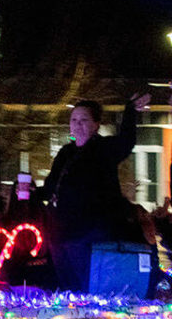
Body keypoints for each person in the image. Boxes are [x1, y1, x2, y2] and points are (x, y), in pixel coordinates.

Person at [38, 93, 151, 291]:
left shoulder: (103, 148)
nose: (77, 124)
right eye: (74, 120)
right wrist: (29, 191)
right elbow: (50, 187)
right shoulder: (66, 153)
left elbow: (126, 141)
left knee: (90, 288)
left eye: (84, 120)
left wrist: (130, 111)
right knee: (67, 290)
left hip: (90, 234)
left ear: (96, 124)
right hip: (60, 234)